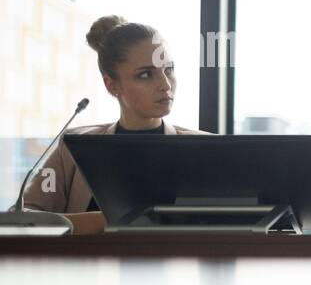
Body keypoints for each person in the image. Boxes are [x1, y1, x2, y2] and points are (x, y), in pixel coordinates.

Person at [19, 15, 206, 233]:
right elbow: (24, 217)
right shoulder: (73, 147)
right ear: (111, 85)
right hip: (82, 266)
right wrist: (104, 221)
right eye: (146, 74)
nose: (165, 84)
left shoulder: (205, 149)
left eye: (169, 69)